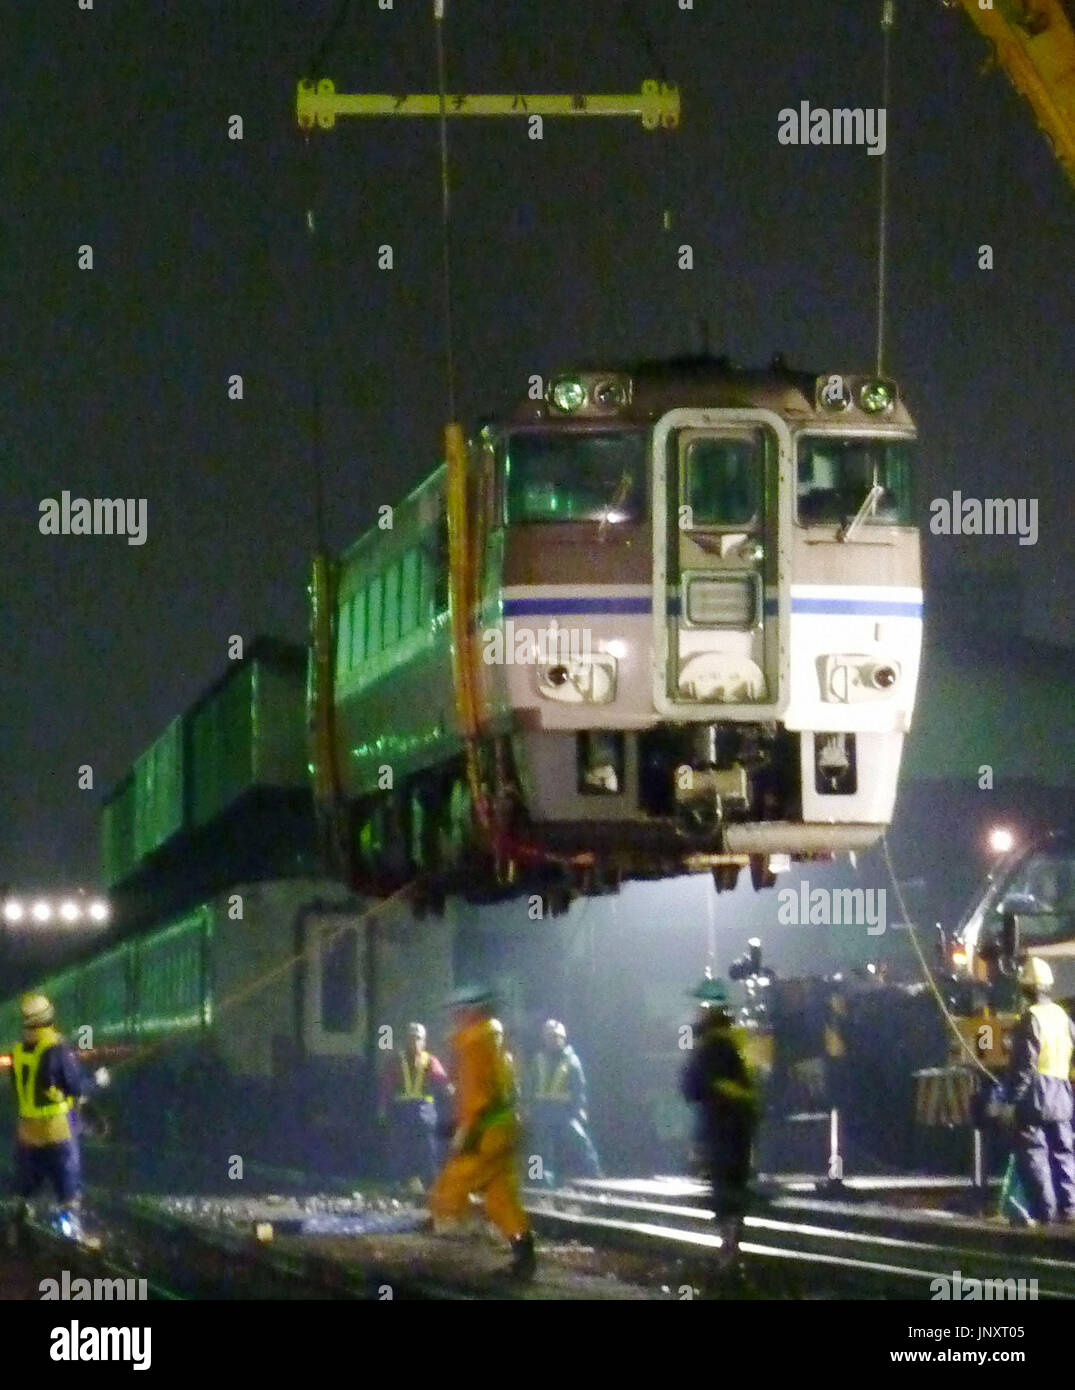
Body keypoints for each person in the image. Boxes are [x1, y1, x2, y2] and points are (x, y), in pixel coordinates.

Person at [429, 986, 535, 1280]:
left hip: (486, 1130)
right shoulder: (495, 1040)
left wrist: (465, 1129)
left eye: (457, 1013)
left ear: (470, 1012)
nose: (453, 1019)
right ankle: (524, 1257)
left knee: (451, 1187)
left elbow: (477, 1095)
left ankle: (452, 1255)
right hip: (505, 1127)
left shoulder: (474, 1044)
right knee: (501, 1196)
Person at [8, 993, 109, 1244]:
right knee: (67, 1183)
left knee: (27, 1185)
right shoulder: (56, 1051)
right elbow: (75, 1087)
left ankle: (16, 1228)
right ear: (49, 1017)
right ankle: (70, 1232)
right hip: (57, 1131)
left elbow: (30, 1089)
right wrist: (97, 1080)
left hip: (27, 1132)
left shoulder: (18, 1053)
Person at [680, 976, 758, 1265]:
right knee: (733, 1181)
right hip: (740, 1121)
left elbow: (692, 1085)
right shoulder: (735, 1038)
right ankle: (732, 1241)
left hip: (720, 1122)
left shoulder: (712, 1044)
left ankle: (728, 1247)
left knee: (723, 1183)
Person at [1007, 956, 1075, 1226]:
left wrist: (1012, 1103)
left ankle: (1045, 1213)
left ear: (1024, 988)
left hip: (1035, 1095)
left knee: (1034, 1153)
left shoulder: (1030, 1018)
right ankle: (1069, 1210)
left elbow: (1024, 1066)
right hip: (1062, 1093)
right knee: (1063, 1152)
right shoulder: (1062, 1016)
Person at [378, 1022, 451, 1191]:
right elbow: (386, 1087)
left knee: (427, 1148)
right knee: (401, 1148)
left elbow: (441, 1079)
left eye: (418, 1039)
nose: (415, 1042)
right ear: (406, 1040)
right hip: (402, 1112)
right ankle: (404, 1181)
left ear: (424, 1041)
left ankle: (429, 1182)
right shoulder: (396, 1061)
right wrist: (382, 1109)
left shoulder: (430, 1061)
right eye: (412, 1038)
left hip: (424, 1113)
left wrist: (449, 1089)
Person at [528, 1019, 601, 1187]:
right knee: (539, 1147)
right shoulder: (538, 1059)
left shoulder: (572, 1060)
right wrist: (528, 1107)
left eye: (556, 1037)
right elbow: (530, 1085)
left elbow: (579, 1086)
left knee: (580, 1140)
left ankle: (594, 1172)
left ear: (563, 1038)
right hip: (542, 1110)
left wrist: (579, 1108)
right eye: (549, 1037)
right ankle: (537, 1178)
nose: (552, 1040)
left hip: (564, 1111)